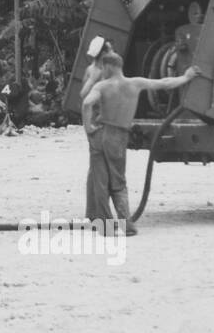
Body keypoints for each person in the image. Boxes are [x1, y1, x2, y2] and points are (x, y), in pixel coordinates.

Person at [80, 52, 199, 236]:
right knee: (119, 182)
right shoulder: (135, 83)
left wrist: (88, 127)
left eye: (103, 68)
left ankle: (106, 227)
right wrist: (186, 77)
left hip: (102, 133)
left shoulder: (102, 86)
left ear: (109, 67)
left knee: (100, 182)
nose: (102, 71)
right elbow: (165, 83)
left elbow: (87, 103)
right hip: (120, 136)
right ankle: (127, 225)